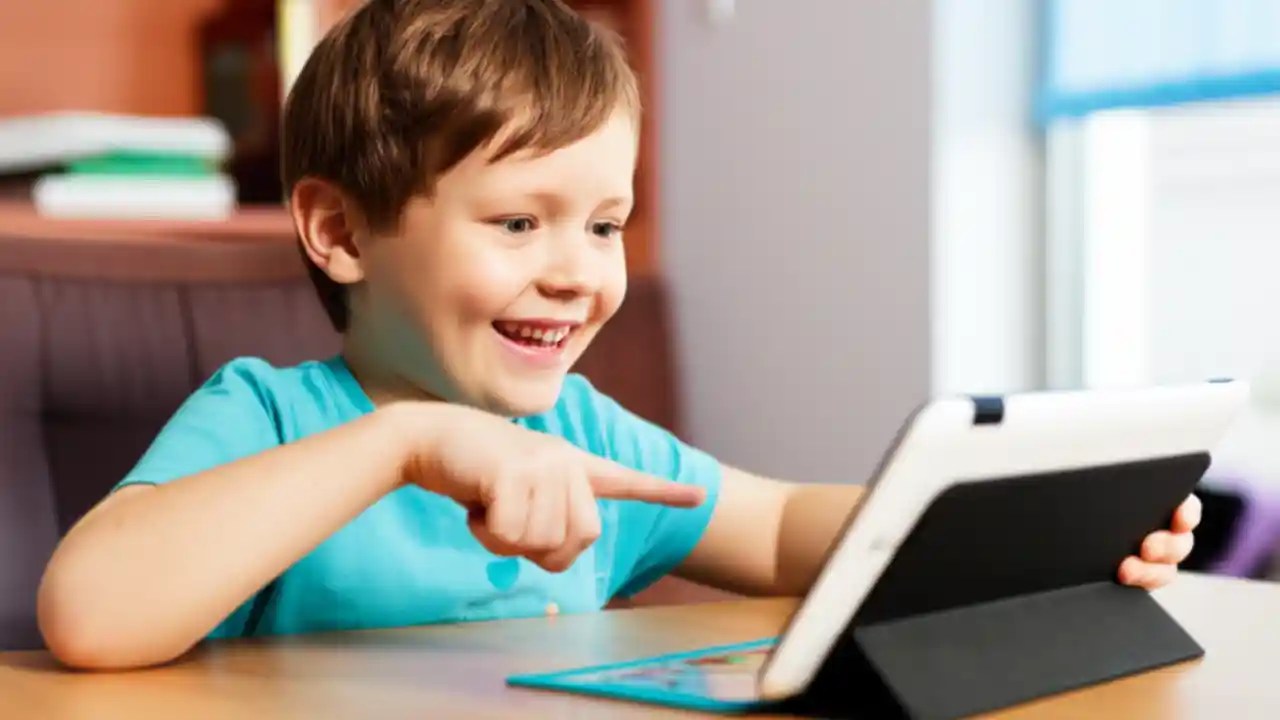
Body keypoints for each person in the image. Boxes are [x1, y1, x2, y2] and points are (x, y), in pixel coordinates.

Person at [35, 0, 1200, 670]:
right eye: (515, 221)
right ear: (339, 231)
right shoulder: (271, 418)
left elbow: (787, 527)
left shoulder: (577, 429)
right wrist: (402, 447)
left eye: (603, 224)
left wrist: (1017, 527)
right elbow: (88, 614)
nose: (576, 273)